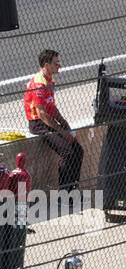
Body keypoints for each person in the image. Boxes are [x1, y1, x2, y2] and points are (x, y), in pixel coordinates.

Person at [24, 49, 83, 190]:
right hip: (39, 124)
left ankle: (73, 188)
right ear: (46, 65)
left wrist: (66, 126)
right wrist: (63, 132)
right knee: (67, 153)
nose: (59, 65)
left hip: (48, 121)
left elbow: (52, 108)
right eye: (56, 63)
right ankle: (64, 192)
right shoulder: (39, 84)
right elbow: (43, 114)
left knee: (78, 150)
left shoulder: (49, 80)